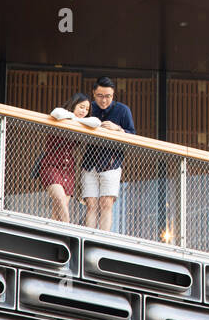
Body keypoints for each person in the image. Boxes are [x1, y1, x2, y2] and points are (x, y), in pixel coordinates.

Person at [81, 78, 136, 232]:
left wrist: (117, 129)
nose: (104, 100)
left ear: (113, 95)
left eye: (108, 96)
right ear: (93, 93)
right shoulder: (88, 108)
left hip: (112, 163)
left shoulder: (123, 110)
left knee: (106, 203)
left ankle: (103, 238)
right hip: (89, 163)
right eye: (100, 96)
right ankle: (90, 236)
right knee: (91, 204)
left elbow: (132, 135)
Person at [35, 93, 99, 224]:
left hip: (68, 169)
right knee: (60, 200)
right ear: (74, 104)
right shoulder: (61, 116)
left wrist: (77, 121)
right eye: (81, 107)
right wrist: (74, 118)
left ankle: (54, 234)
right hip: (51, 165)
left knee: (57, 209)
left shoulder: (81, 123)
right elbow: (56, 112)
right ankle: (68, 228)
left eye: (87, 109)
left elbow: (96, 122)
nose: (84, 111)